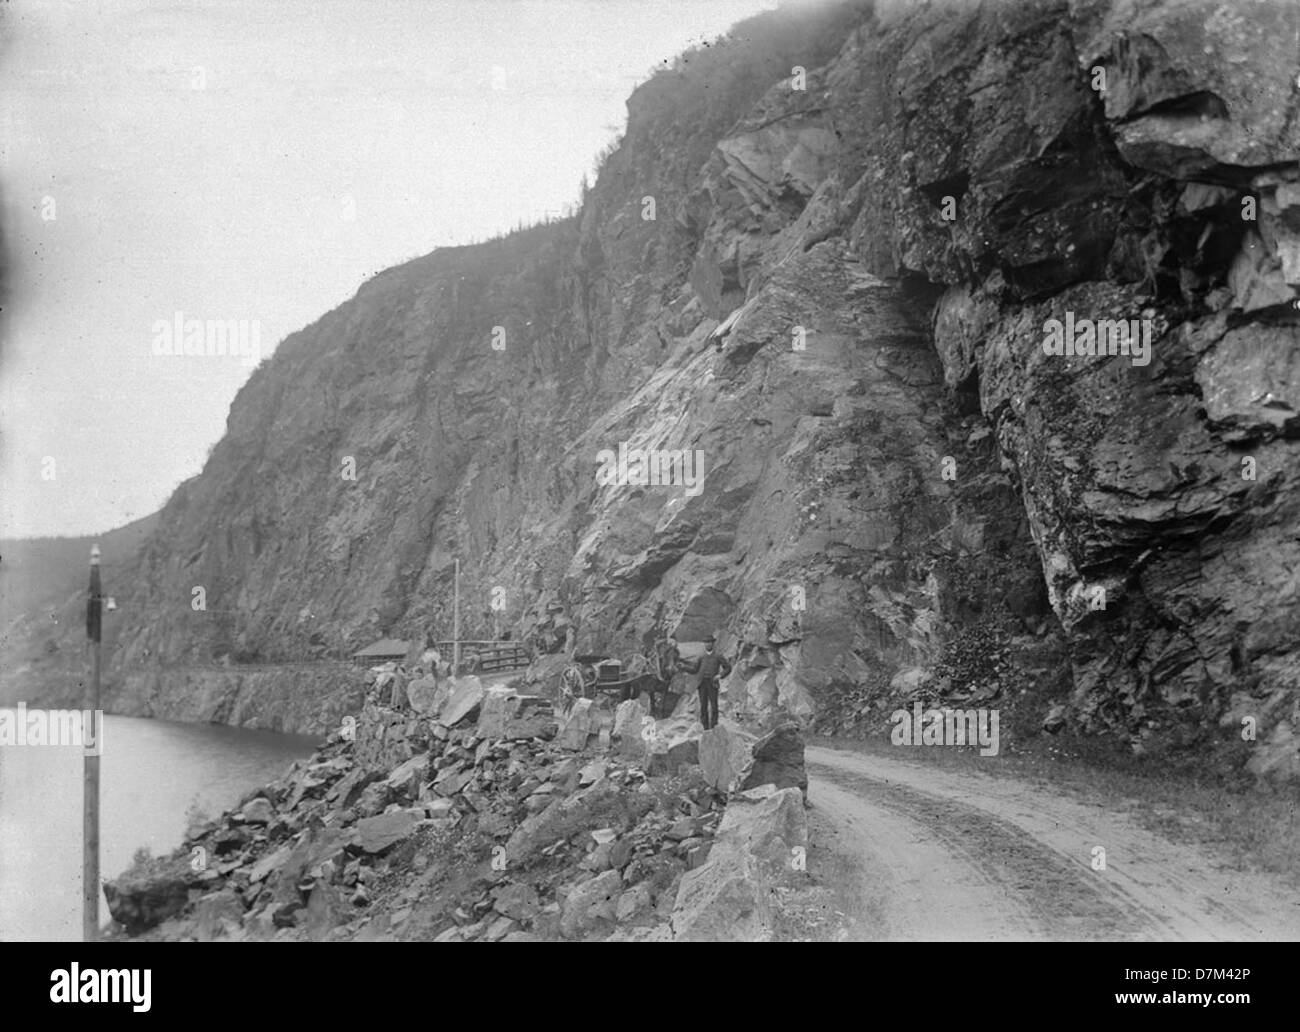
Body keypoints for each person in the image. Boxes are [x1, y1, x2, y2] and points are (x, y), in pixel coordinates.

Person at [685, 634, 731, 731]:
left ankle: (714, 727)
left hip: (712, 683)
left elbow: (728, 668)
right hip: (702, 684)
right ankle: (705, 728)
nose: (707, 645)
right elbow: (694, 669)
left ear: (713, 644)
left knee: (714, 706)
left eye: (709, 642)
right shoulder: (701, 656)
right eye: (706, 643)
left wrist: (720, 675)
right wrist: (684, 667)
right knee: (703, 707)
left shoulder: (718, 656)